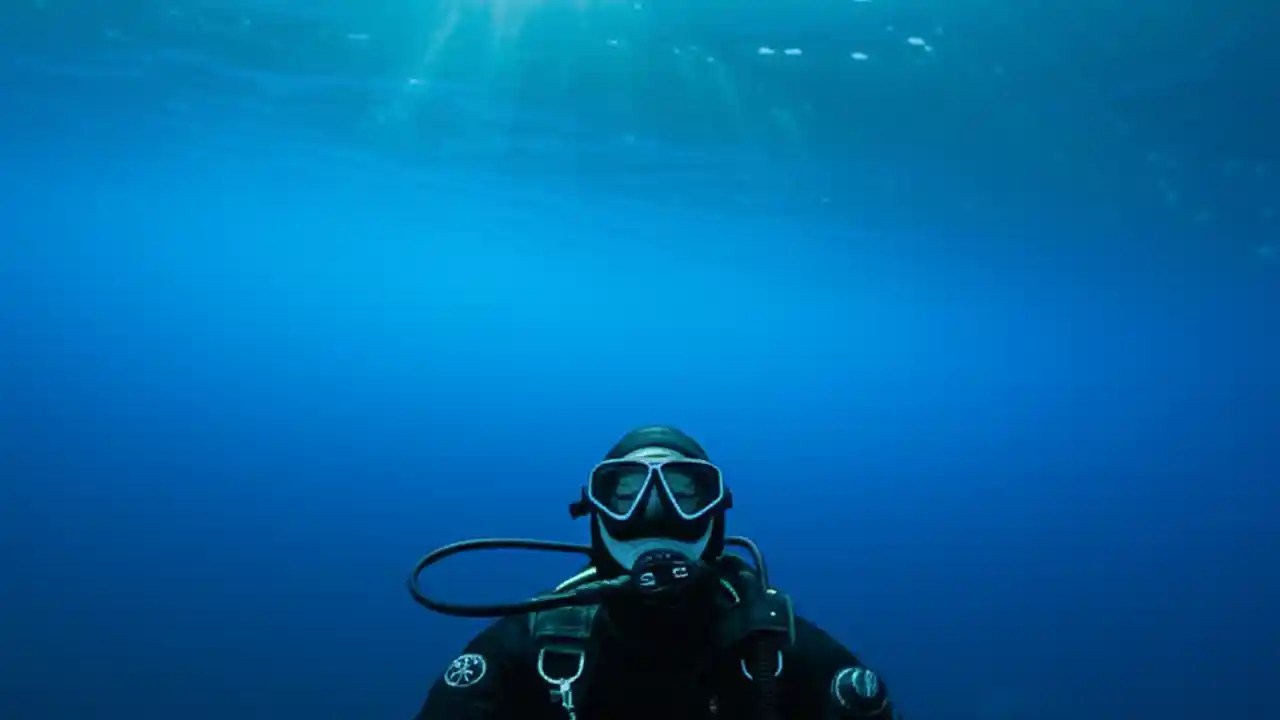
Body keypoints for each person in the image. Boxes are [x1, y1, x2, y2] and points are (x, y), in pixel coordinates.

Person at [409, 425, 901, 720]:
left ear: (715, 512)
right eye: (625, 494)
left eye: (686, 492)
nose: (655, 513)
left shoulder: (773, 647)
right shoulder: (534, 647)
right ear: (597, 513)